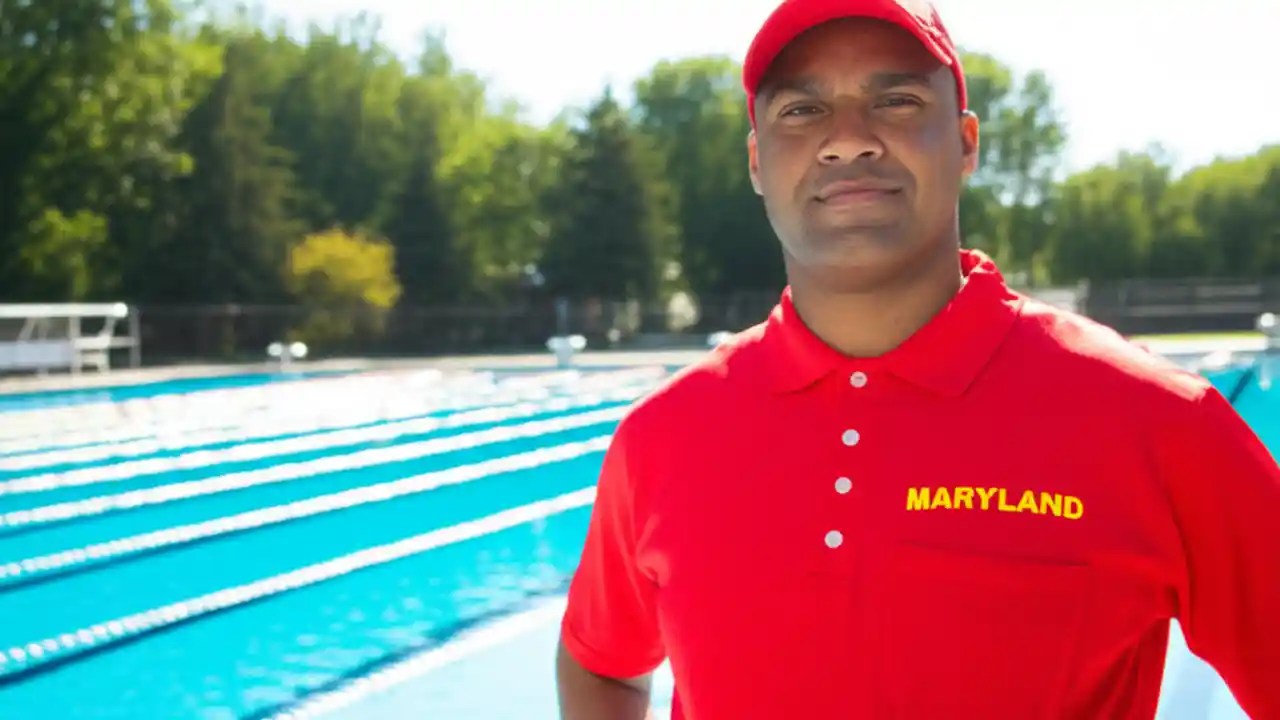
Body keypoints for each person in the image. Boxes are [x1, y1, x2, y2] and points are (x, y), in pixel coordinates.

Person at [554, 0, 1280, 718]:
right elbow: (599, 662)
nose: (848, 141)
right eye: (800, 113)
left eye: (895, 101)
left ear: (965, 143)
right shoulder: (665, 436)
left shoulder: (1153, 421)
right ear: (755, 161)